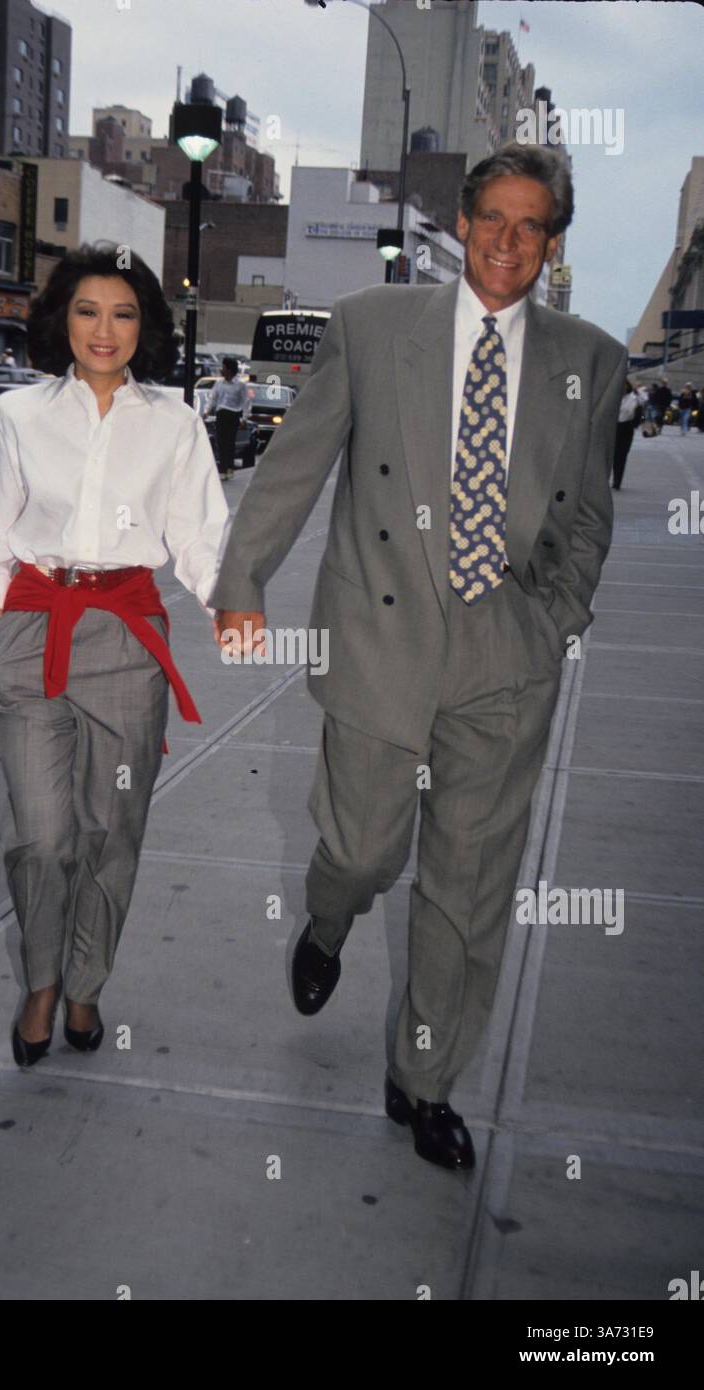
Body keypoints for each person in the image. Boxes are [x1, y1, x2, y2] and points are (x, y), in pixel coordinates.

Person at [209, 142, 627, 1172]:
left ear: (551, 242)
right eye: (493, 217)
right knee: (361, 850)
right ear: (464, 222)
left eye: (532, 225)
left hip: (503, 655)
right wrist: (241, 578)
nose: (508, 241)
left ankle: (423, 1077)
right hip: (383, 637)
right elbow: (295, 461)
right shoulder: (370, 325)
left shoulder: (587, 361)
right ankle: (325, 917)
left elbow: (584, 516)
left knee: (467, 889)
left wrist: (553, 621)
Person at [0, 243, 229, 1068]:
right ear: (60, 320)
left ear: (142, 326)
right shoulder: (17, 417)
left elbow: (199, 536)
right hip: (33, 627)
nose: (102, 330)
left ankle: (85, 983)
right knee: (42, 837)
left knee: (111, 830)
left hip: (124, 638)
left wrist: (232, 607)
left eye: (121, 313)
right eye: (86, 310)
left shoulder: (175, 424)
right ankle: (41, 980)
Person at [204, 356, 250, 480]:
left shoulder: (240, 385)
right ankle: (223, 469)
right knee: (221, 442)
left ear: (229, 369)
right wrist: (206, 411)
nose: (221, 370)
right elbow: (213, 398)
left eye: (223, 367)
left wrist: (244, 418)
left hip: (233, 415)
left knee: (230, 442)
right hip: (221, 414)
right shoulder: (219, 383)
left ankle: (229, 466)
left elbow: (245, 401)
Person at [613, 378, 640, 490]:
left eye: (625, 386)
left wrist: (636, 390)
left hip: (626, 428)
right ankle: (611, 477)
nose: (623, 388)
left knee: (622, 455)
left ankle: (617, 480)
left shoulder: (633, 398)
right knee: (613, 455)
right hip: (614, 428)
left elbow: (643, 400)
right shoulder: (614, 398)